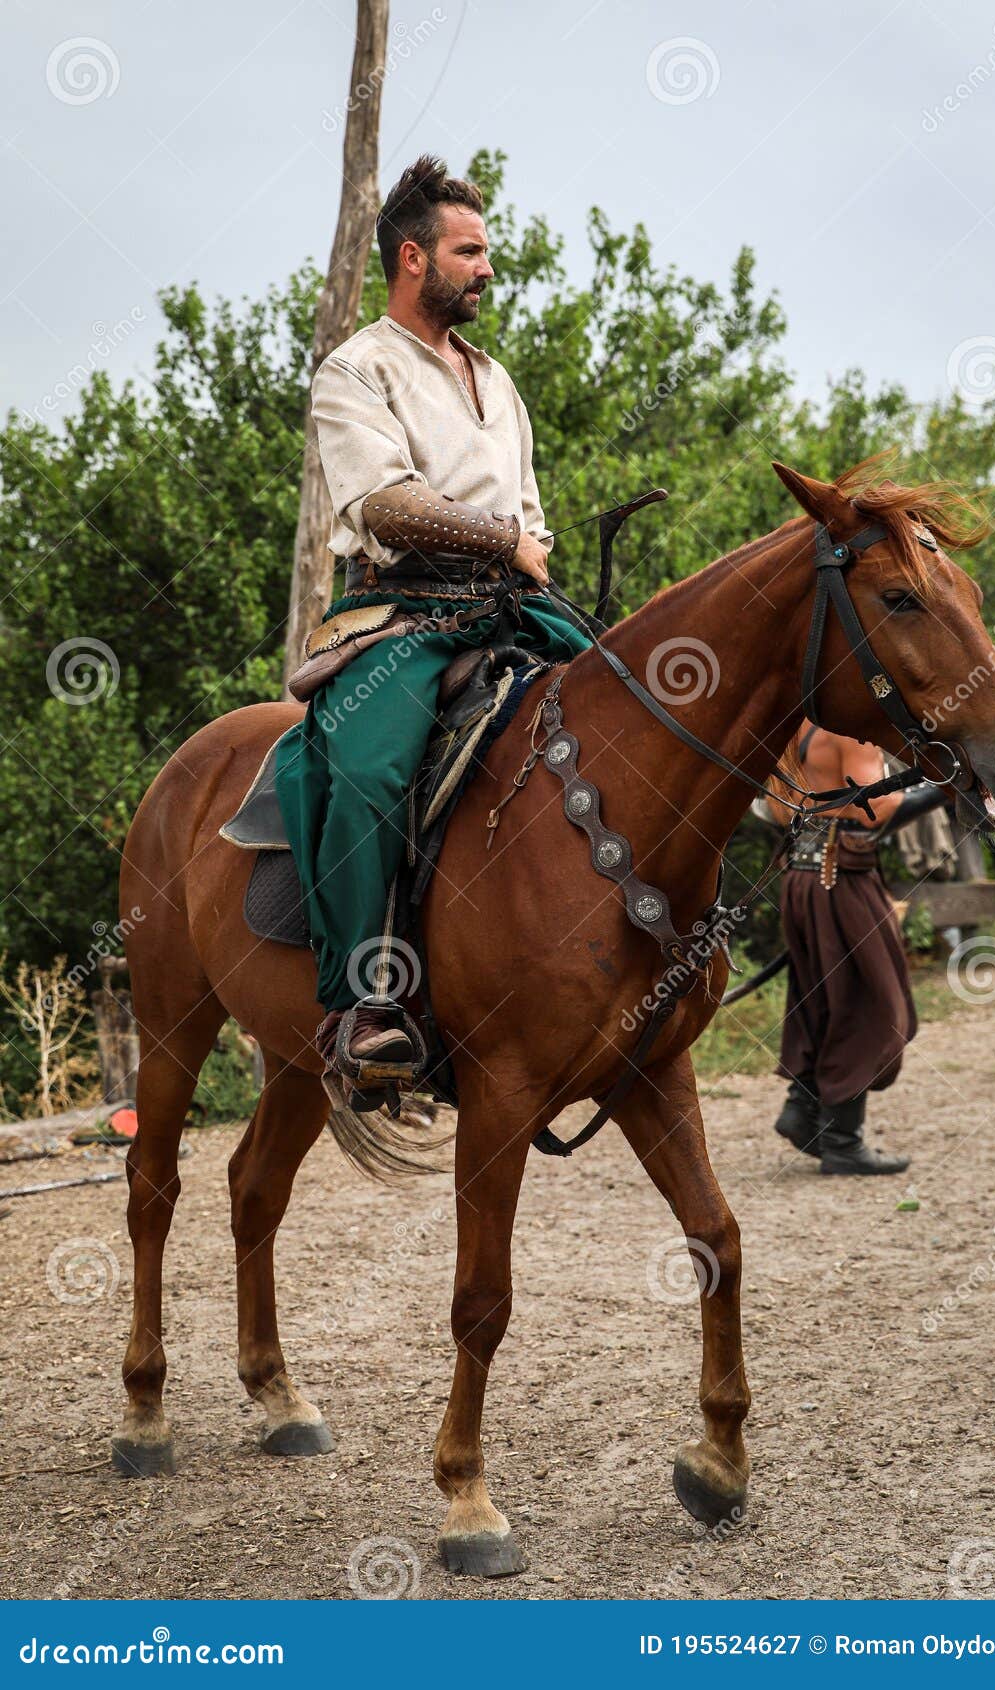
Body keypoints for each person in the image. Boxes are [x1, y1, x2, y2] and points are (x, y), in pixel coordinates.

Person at [274, 156, 591, 1087]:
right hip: (400, 616)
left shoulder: (497, 379)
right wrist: (502, 539)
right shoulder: (356, 368)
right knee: (370, 767)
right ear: (412, 258)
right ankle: (368, 1003)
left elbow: (530, 515)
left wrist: (521, 549)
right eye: (470, 252)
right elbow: (381, 503)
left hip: (509, 609)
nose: (487, 268)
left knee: (637, 697)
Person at [770, 722, 924, 1176]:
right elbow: (875, 808)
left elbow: (781, 810)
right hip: (839, 879)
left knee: (820, 999)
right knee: (869, 1003)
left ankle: (803, 1111)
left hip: (802, 878)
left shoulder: (789, 728)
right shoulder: (852, 733)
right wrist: (947, 791)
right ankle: (842, 1140)